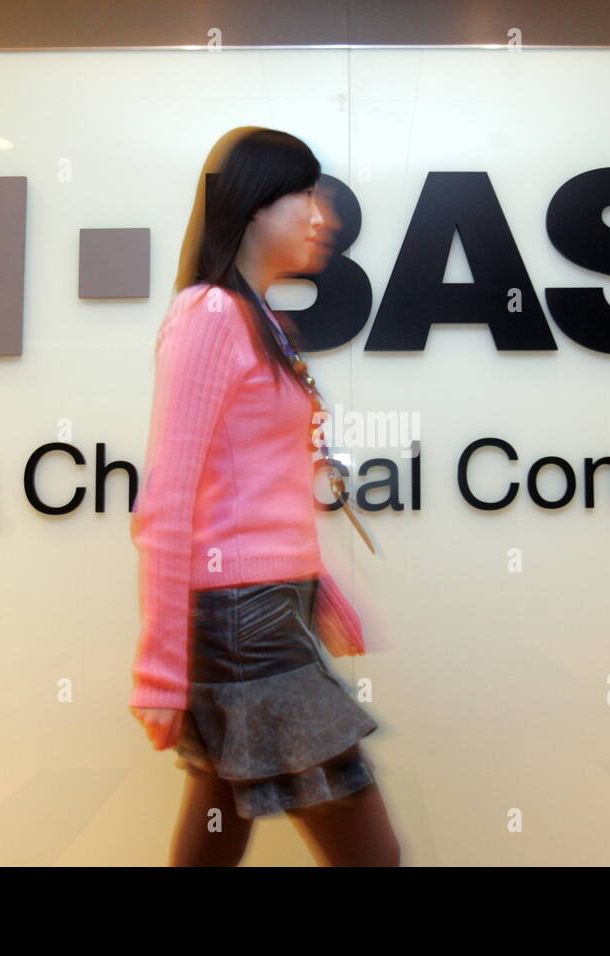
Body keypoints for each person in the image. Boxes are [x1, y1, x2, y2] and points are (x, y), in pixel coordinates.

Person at [127, 127, 401, 866]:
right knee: (372, 857)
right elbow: (167, 501)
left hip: (261, 616)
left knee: (215, 836)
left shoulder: (255, 320)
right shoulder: (211, 316)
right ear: (250, 206)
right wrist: (159, 669)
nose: (323, 214)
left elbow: (260, 495)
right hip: (245, 630)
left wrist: (318, 595)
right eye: (302, 194)